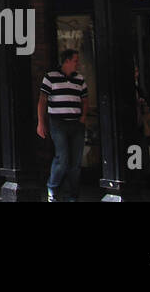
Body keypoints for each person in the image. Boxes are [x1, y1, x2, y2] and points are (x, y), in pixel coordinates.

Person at [37, 49, 88, 202]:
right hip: (58, 123)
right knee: (63, 158)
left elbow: (85, 100)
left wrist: (83, 117)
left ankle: (71, 195)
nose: (77, 63)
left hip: (76, 123)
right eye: (75, 60)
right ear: (66, 61)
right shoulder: (50, 77)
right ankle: (52, 187)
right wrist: (41, 123)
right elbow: (42, 100)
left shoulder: (79, 79)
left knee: (76, 162)